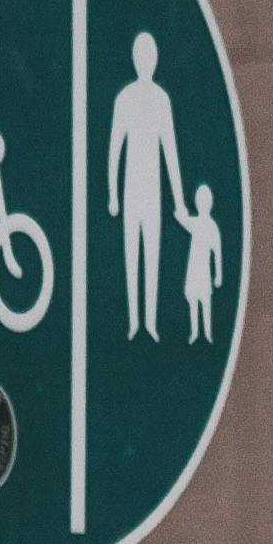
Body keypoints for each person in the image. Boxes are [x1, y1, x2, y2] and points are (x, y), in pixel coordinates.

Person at [106, 31, 184, 340]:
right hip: (131, 191)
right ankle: (133, 322)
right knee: (131, 256)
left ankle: (150, 323)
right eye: (142, 56)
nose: (146, 61)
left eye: (149, 56)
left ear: (154, 60)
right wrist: (113, 194)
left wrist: (179, 200)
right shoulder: (124, 99)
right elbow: (114, 149)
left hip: (153, 192)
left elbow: (170, 152)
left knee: (152, 255)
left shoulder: (162, 101)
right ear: (136, 60)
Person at [182, 180, 222, 344]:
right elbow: (183, 220)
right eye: (200, 201)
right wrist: (180, 211)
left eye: (205, 201)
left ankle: (207, 333)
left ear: (209, 204)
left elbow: (217, 253)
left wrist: (218, 275)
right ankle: (194, 332)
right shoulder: (196, 222)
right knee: (193, 300)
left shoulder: (212, 227)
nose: (203, 204)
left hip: (204, 271)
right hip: (193, 269)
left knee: (205, 301)